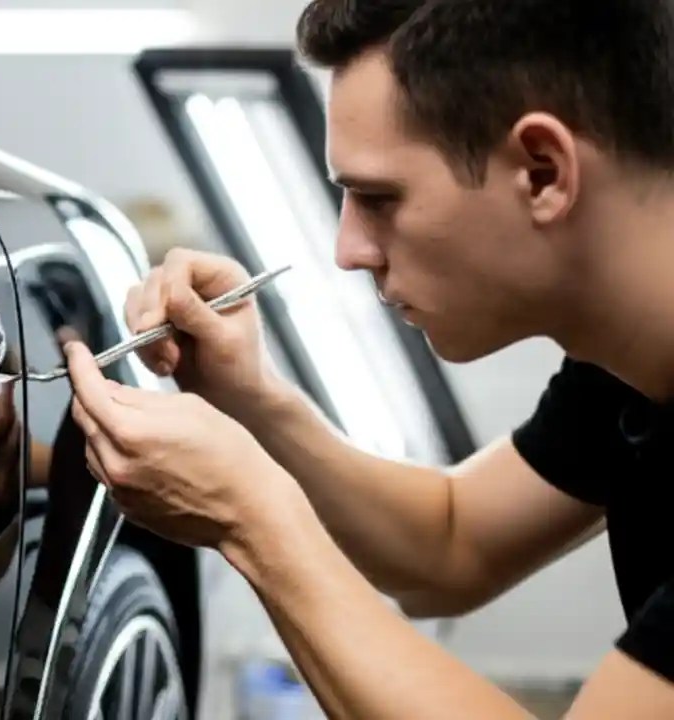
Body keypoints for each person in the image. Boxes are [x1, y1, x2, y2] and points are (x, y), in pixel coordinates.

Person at [63, 1, 674, 717]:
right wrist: (252, 400)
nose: (348, 251)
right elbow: (448, 548)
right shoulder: (622, 371)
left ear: (542, 172)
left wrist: (251, 518)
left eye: (378, 198)